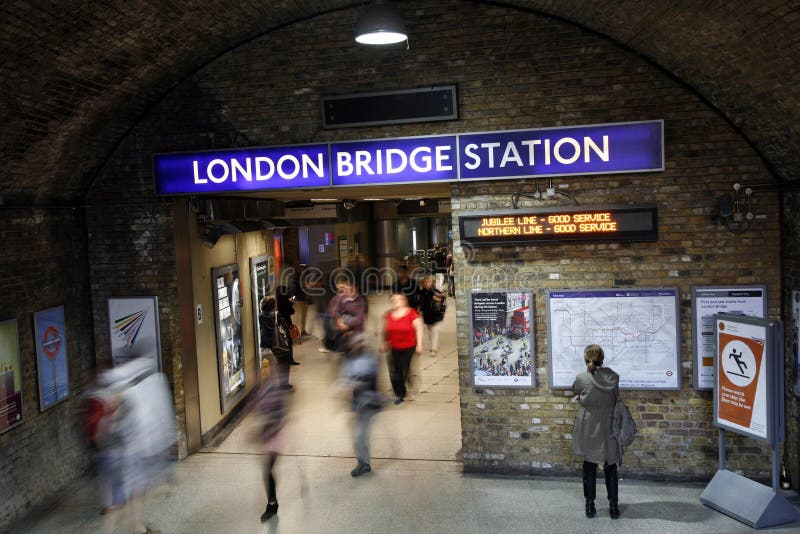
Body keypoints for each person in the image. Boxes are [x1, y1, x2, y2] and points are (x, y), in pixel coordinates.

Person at [572, 344, 621, 520]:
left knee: (589, 465)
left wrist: (581, 398)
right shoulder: (613, 377)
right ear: (602, 358)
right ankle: (614, 508)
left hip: (589, 426)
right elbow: (614, 398)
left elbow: (577, 390)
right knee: (611, 466)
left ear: (586, 359)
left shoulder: (581, 377)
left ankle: (590, 506)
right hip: (609, 426)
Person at [341, 333, 385, 477]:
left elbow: (372, 381)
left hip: (368, 403)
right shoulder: (350, 360)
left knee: (360, 435)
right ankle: (363, 461)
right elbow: (345, 380)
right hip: (359, 403)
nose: (357, 346)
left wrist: (356, 382)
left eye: (360, 343)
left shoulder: (369, 359)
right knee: (358, 435)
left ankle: (364, 464)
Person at [254, 370, 289, 522]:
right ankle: (272, 502)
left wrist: (268, 431)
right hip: (270, 435)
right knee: (268, 470)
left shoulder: (274, 390)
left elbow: (279, 415)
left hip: (274, 436)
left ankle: (272, 504)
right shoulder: (265, 389)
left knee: (268, 470)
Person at [381, 292, 423, 405]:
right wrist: (384, 342)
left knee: (404, 368)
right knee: (395, 372)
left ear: (404, 301)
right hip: (394, 347)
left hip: (409, 346)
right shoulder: (388, 314)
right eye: (392, 300)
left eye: (397, 299)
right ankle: (400, 393)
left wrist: (419, 344)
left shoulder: (411, 313)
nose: (394, 302)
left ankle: (410, 381)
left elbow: (419, 329)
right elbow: (385, 330)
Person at [327, 275, 368, 351]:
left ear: (356, 288)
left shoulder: (360, 301)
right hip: (343, 330)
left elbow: (359, 318)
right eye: (346, 287)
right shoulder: (341, 298)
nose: (346, 290)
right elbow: (333, 309)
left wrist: (348, 326)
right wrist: (338, 319)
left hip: (356, 331)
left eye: (349, 288)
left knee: (356, 351)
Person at [261, 296, 294, 390]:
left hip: (266, 343)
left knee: (267, 363)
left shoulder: (261, 315)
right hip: (277, 343)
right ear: (274, 305)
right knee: (284, 362)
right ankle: (284, 384)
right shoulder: (276, 314)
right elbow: (285, 327)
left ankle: (267, 384)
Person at [417, 274, 446, 355]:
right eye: (424, 282)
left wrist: (438, 298)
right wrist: (419, 311)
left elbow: (442, 299)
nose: (426, 284)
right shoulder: (422, 292)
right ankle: (432, 346)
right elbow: (420, 303)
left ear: (431, 282)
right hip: (427, 316)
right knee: (430, 332)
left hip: (437, 315)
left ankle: (434, 348)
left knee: (435, 331)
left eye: (427, 282)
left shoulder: (435, 291)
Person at [277, 286, 301, 361]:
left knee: (282, 340)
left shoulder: (278, 300)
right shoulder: (286, 301)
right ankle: (290, 358)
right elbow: (292, 311)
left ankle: (282, 357)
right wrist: (291, 303)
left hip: (279, 323)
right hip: (287, 322)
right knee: (289, 340)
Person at [292, 264, 312, 337]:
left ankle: (300, 331)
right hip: (301, 299)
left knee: (301, 316)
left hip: (301, 298)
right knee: (301, 316)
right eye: (303, 269)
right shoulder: (300, 278)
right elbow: (303, 288)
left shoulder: (299, 277)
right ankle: (299, 331)